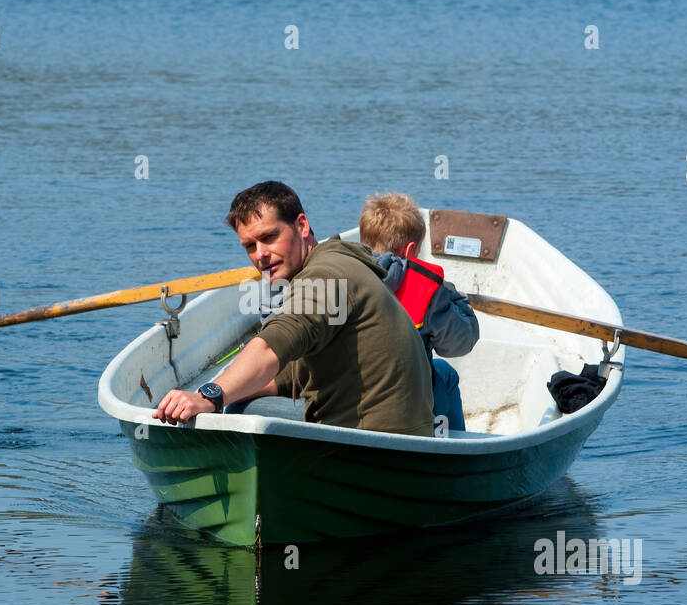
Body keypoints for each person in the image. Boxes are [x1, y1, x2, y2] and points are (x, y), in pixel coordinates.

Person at [153, 181, 434, 436]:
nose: (260, 254)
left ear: (301, 226)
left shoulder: (324, 275)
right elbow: (298, 371)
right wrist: (233, 388)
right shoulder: (340, 263)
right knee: (242, 397)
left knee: (242, 413)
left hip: (371, 445)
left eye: (269, 237)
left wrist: (210, 396)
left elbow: (271, 346)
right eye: (250, 245)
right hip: (405, 438)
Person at [358, 192, 479, 433]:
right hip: (407, 407)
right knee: (446, 373)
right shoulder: (427, 290)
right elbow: (461, 343)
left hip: (353, 398)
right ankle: (452, 451)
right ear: (411, 250)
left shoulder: (344, 273)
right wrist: (451, 296)